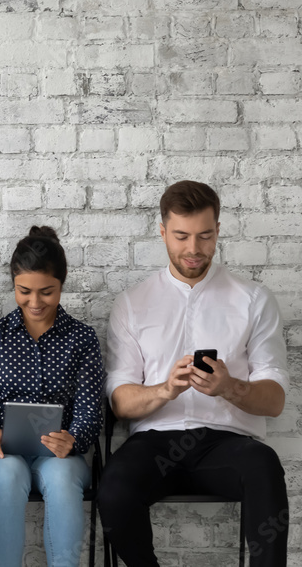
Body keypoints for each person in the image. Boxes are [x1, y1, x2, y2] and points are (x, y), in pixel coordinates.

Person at [98, 180, 290, 566]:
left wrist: (229, 387)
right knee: (113, 489)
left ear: (217, 230)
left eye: (204, 236)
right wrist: (165, 390)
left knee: (264, 467)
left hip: (227, 444)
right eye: (182, 236)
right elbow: (120, 401)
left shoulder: (253, 299)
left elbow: (274, 401)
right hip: (154, 444)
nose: (193, 249)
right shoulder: (132, 303)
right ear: (162, 231)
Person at [0, 226, 104, 567]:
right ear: (13, 285)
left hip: (59, 457)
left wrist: (73, 438)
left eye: (47, 292)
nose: (35, 302)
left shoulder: (82, 339)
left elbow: (90, 412)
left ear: (62, 285)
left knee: (62, 477)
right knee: (10, 473)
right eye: (24, 291)